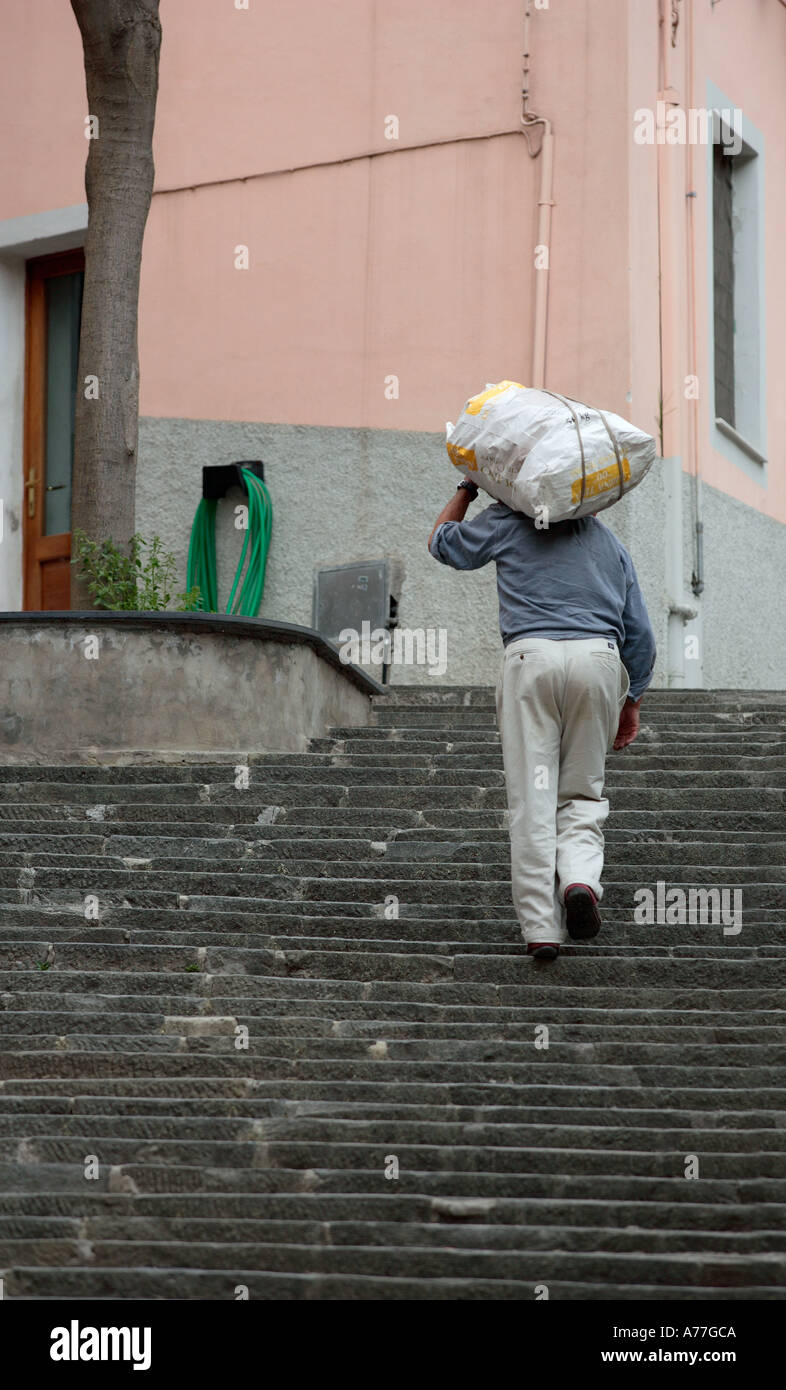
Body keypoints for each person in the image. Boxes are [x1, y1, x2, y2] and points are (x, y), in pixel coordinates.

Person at [428, 476, 657, 960]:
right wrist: (631, 700)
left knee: (534, 799)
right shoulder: (608, 543)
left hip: (532, 661)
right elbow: (640, 634)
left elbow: (442, 543)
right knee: (581, 791)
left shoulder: (507, 522)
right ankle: (579, 880)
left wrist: (469, 489)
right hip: (598, 661)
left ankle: (541, 929)